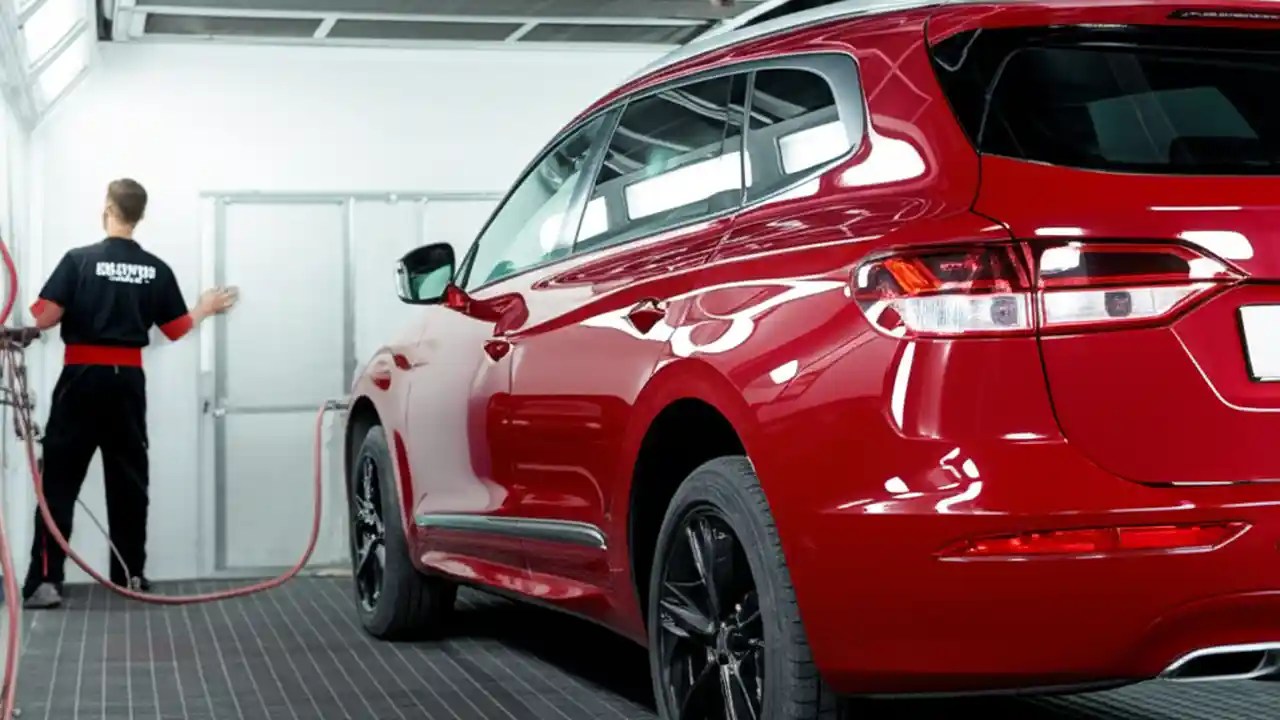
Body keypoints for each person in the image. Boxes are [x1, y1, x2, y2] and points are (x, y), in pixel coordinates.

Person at [21, 178, 238, 609]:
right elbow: (175, 329)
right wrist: (205, 307)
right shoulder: (155, 268)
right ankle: (129, 576)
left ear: (107, 208)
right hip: (127, 384)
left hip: (81, 378)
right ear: (140, 216)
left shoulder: (79, 260)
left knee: (59, 481)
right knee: (129, 482)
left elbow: (45, 317)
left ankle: (45, 583)